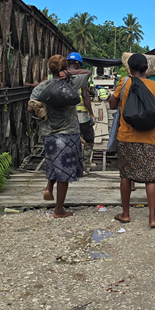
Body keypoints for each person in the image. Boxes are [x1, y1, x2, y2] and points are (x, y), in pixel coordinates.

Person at [109, 54, 155, 229]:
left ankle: (125, 214)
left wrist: (117, 92)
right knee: (151, 179)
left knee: (126, 175)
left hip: (127, 137)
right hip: (151, 138)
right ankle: (152, 218)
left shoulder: (125, 82)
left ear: (130, 67)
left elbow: (113, 105)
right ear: (146, 68)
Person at [27, 55, 92, 218]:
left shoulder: (42, 87)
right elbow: (88, 72)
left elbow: (30, 108)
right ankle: (58, 210)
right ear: (64, 69)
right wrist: (70, 74)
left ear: (49, 69)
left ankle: (49, 187)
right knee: (65, 171)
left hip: (49, 133)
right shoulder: (72, 82)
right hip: (69, 132)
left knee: (52, 162)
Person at [66, 52, 96, 172]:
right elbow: (85, 95)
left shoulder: (57, 74)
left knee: (69, 136)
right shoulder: (81, 76)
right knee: (89, 137)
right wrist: (92, 113)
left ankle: (68, 161)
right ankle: (85, 161)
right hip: (81, 113)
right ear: (78, 64)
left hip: (64, 113)